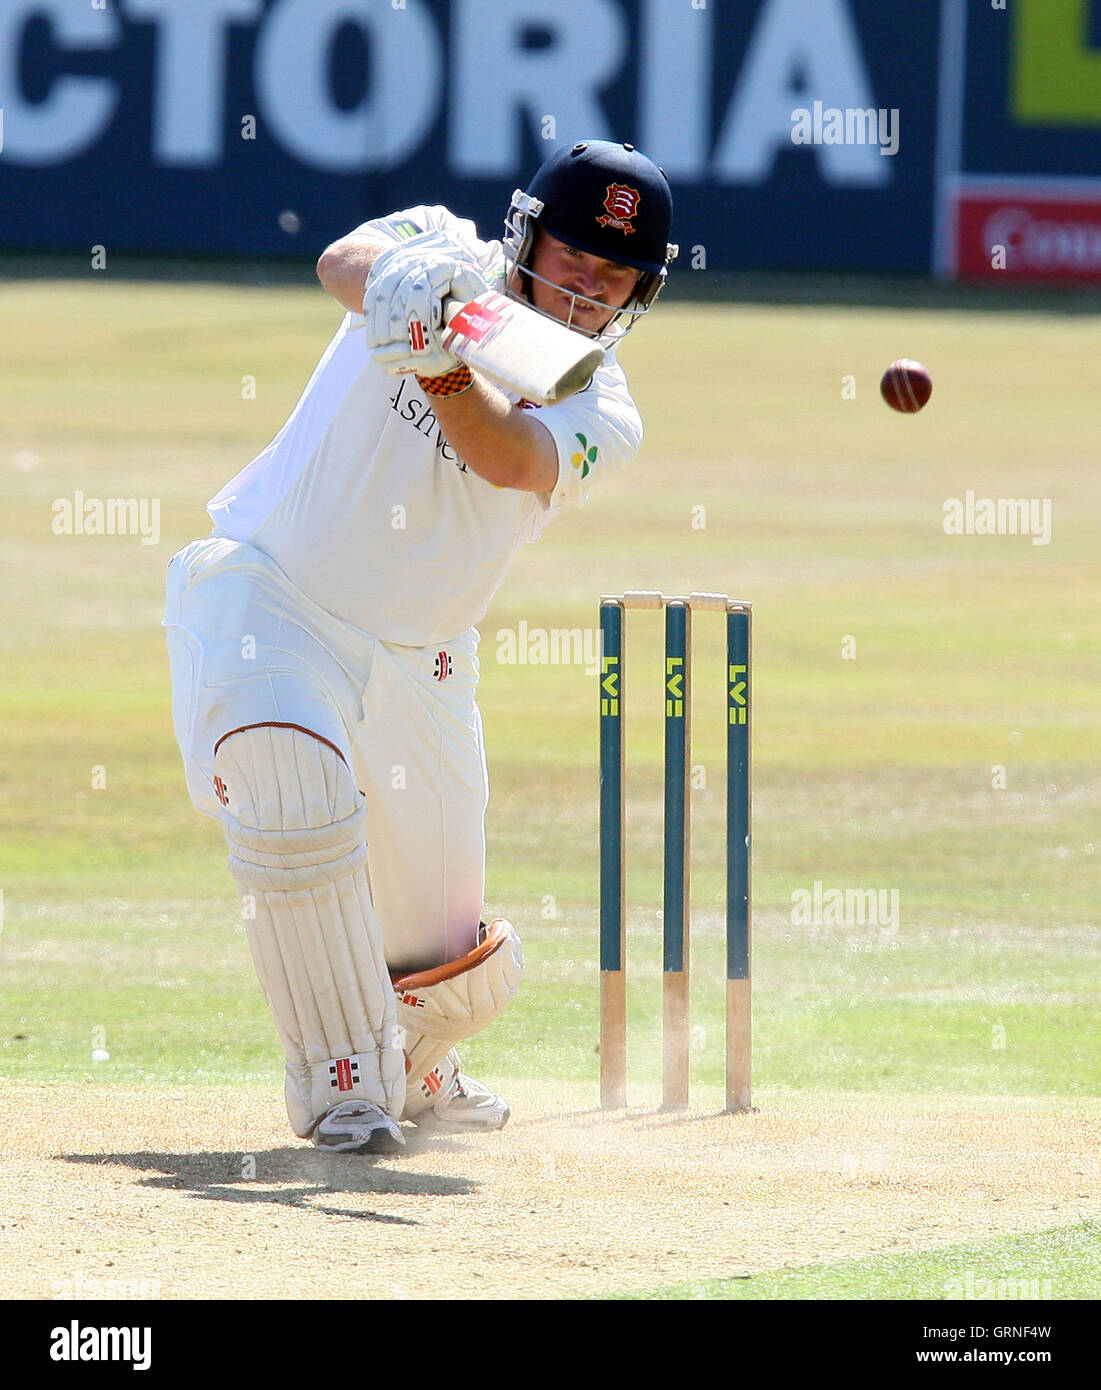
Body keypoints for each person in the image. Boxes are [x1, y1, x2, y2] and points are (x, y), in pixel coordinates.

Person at [163, 140, 676, 1153]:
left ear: (638, 295)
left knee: (459, 978)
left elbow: (505, 454)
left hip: (425, 665)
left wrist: (441, 364)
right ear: (525, 234)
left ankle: (417, 1070)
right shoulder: (442, 247)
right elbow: (341, 265)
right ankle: (340, 1087)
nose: (583, 290)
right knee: (294, 784)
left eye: (610, 277)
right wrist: (404, 288)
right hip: (273, 595)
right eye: (570, 257)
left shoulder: (596, 401)